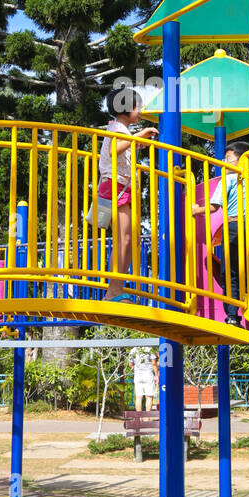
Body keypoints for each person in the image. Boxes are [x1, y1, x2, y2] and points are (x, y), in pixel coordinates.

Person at [99, 86, 157, 302]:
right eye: (138, 107)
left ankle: (117, 287)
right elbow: (115, 150)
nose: (140, 111)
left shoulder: (121, 130)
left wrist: (140, 140)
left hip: (121, 186)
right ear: (126, 108)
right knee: (123, 239)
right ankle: (113, 290)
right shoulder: (115, 128)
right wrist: (139, 135)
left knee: (127, 239)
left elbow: (126, 147)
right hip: (115, 186)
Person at [192, 141, 249, 325]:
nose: (223, 161)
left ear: (241, 162)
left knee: (230, 271)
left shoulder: (227, 179)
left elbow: (214, 207)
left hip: (235, 226)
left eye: (228, 158)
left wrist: (196, 210)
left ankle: (232, 315)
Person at [131, 345, 158, 410]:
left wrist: (135, 369)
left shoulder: (133, 350)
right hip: (148, 374)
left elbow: (130, 364)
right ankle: (147, 418)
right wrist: (156, 375)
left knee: (138, 397)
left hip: (137, 375)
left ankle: (138, 418)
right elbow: (154, 363)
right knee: (149, 397)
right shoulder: (149, 349)